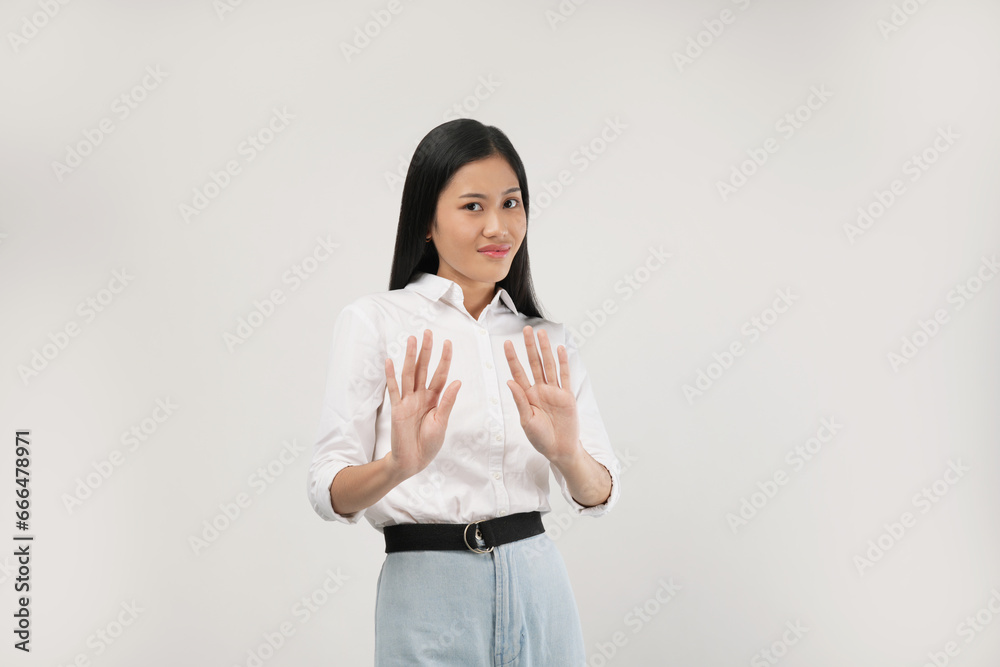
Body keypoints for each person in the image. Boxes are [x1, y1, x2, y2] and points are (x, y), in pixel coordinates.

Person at [306, 118, 622, 666]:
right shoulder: (375, 322)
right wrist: (398, 466)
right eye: (473, 206)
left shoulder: (545, 340)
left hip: (538, 582)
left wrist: (566, 454)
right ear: (427, 221)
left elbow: (598, 495)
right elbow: (327, 490)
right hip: (428, 590)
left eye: (512, 203)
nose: (499, 227)